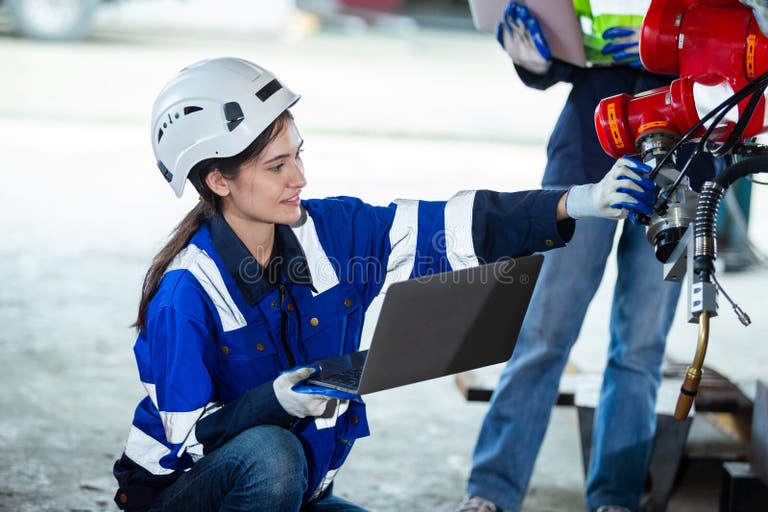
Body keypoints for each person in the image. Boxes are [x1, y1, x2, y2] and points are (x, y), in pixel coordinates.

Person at [111, 56, 655, 512]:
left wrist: (580, 201)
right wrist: (273, 403)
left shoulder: (331, 232)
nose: (300, 177)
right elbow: (189, 444)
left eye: (298, 154)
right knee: (273, 455)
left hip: (297, 496)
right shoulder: (185, 294)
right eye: (277, 166)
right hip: (185, 494)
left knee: (282, 465)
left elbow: (451, 226)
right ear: (217, 179)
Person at [457, 3, 715, 512]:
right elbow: (567, 43)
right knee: (544, 332)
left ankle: (616, 497)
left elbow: (750, 45)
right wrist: (535, 59)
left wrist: (676, 44)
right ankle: (491, 489)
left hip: (688, 160)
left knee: (641, 345)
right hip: (587, 151)